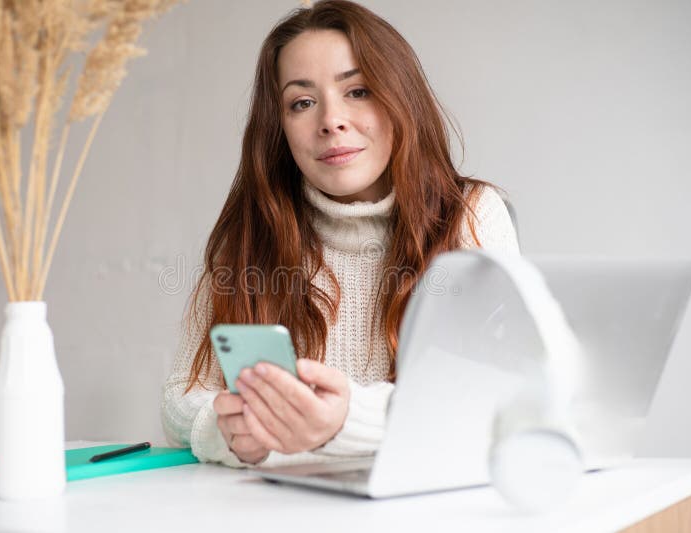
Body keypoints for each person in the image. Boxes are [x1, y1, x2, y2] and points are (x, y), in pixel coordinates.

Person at [161, 0, 519, 468]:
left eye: (358, 91)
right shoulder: (251, 233)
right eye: (302, 102)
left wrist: (345, 422)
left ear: (400, 100)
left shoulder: (471, 214)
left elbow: (500, 396)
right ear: (280, 128)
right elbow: (180, 400)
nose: (330, 120)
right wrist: (225, 428)